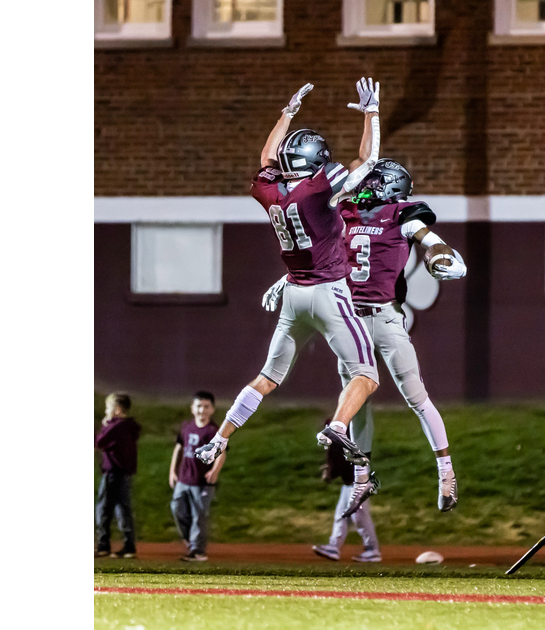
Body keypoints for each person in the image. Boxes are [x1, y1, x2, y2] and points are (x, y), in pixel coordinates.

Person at [195, 78, 387, 519]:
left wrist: (287, 112)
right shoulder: (321, 187)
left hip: (294, 297)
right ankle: (337, 426)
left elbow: (266, 158)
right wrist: (371, 112)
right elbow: (368, 159)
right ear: (317, 161)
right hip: (329, 292)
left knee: (266, 377)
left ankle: (220, 438)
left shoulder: (272, 191)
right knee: (366, 373)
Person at [263, 158, 467, 516]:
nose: (364, 185)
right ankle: (361, 477)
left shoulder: (404, 216)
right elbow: (319, 257)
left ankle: (446, 473)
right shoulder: (345, 213)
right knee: (357, 403)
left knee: (417, 397)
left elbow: (437, 245)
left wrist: (447, 260)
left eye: (373, 180)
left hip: (386, 317)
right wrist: (285, 281)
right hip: (350, 321)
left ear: (389, 185)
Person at [312, 419, 381, 563]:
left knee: (360, 517)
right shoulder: (349, 438)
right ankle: (333, 547)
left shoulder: (338, 442)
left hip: (358, 484)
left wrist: (330, 473)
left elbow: (339, 463)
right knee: (341, 516)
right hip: (350, 483)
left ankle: (372, 550)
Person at [170, 391, 227, 562]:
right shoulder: (187, 427)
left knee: (198, 515)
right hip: (183, 479)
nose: (202, 410)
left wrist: (214, 471)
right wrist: (173, 470)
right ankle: (190, 539)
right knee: (177, 508)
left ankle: (198, 551)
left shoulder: (213, 431)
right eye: (199, 406)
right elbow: (179, 448)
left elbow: (221, 453)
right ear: (192, 408)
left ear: (212, 409)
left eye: (206, 407)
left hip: (202, 482)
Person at [94, 392, 142, 558]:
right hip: (124, 473)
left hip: (113, 472)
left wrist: (105, 425)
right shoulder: (128, 426)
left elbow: (99, 442)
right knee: (123, 509)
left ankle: (103, 545)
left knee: (103, 509)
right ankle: (129, 546)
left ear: (118, 409)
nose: (106, 410)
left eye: (109, 407)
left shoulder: (116, 426)